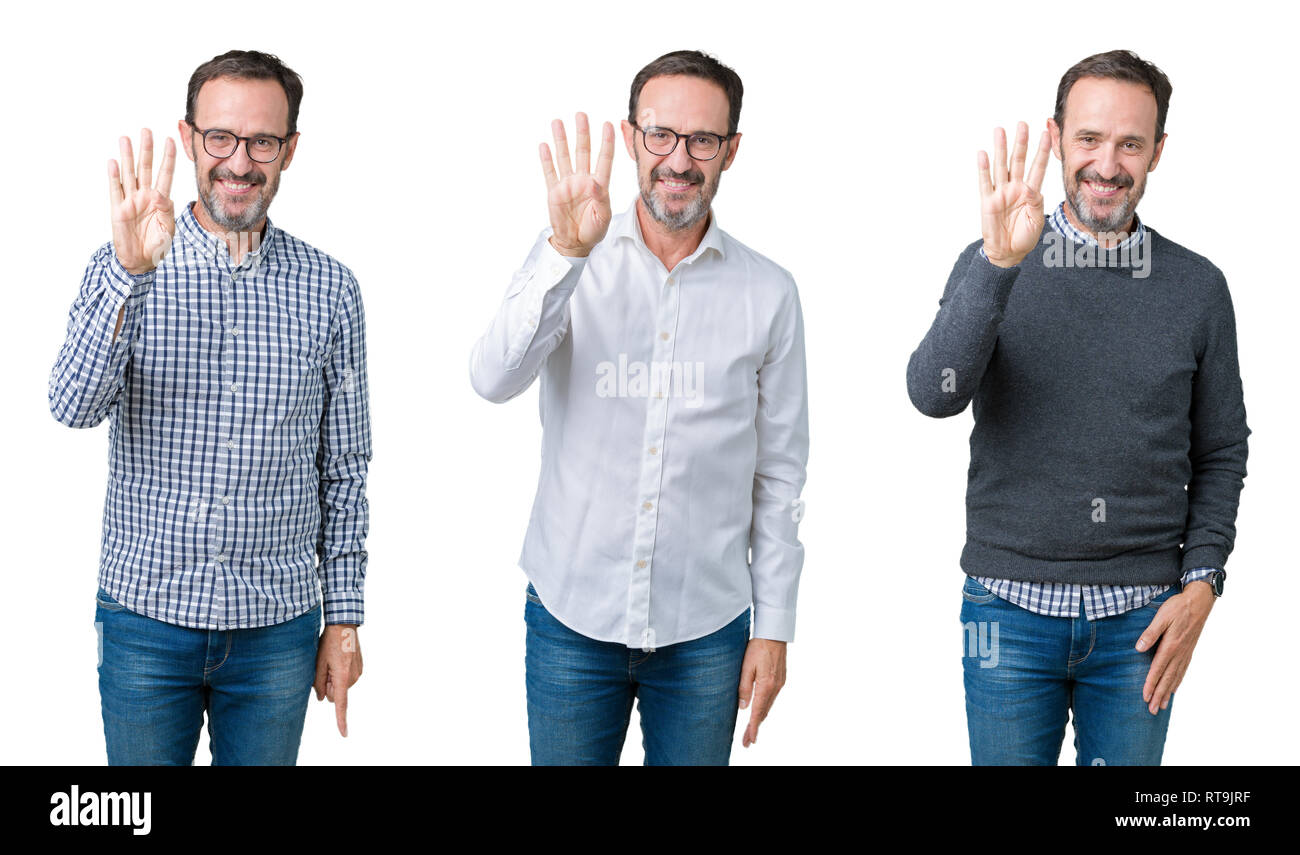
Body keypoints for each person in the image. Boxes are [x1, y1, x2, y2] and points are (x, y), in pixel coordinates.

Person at [906, 49, 1248, 765]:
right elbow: (933, 395)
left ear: (1158, 151)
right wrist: (997, 268)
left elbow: (1221, 450)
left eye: (1130, 143)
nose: (1107, 163)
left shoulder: (1197, 288)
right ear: (1059, 137)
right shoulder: (993, 259)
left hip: (1141, 621)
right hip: (1005, 610)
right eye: (1089, 138)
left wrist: (1203, 582)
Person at [470, 50, 809, 765]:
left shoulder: (770, 294)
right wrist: (564, 250)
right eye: (660, 135)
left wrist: (774, 625)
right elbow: (491, 378)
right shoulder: (569, 258)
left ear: (731, 152)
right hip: (571, 617)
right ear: (631, 139)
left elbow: (779, 475)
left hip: (707, 631)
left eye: (702, 141)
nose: (678, 160)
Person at [49, 49, 370, 765]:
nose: (239, 161)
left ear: (290, 150)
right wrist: (130, 275)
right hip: (145, 622)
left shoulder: (331, 290)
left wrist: (343, 618)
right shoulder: (124, 265)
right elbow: (70, 405)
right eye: (220, 137)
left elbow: (345, 469)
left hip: (276, 633)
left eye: (262, 141)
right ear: (190, 138)